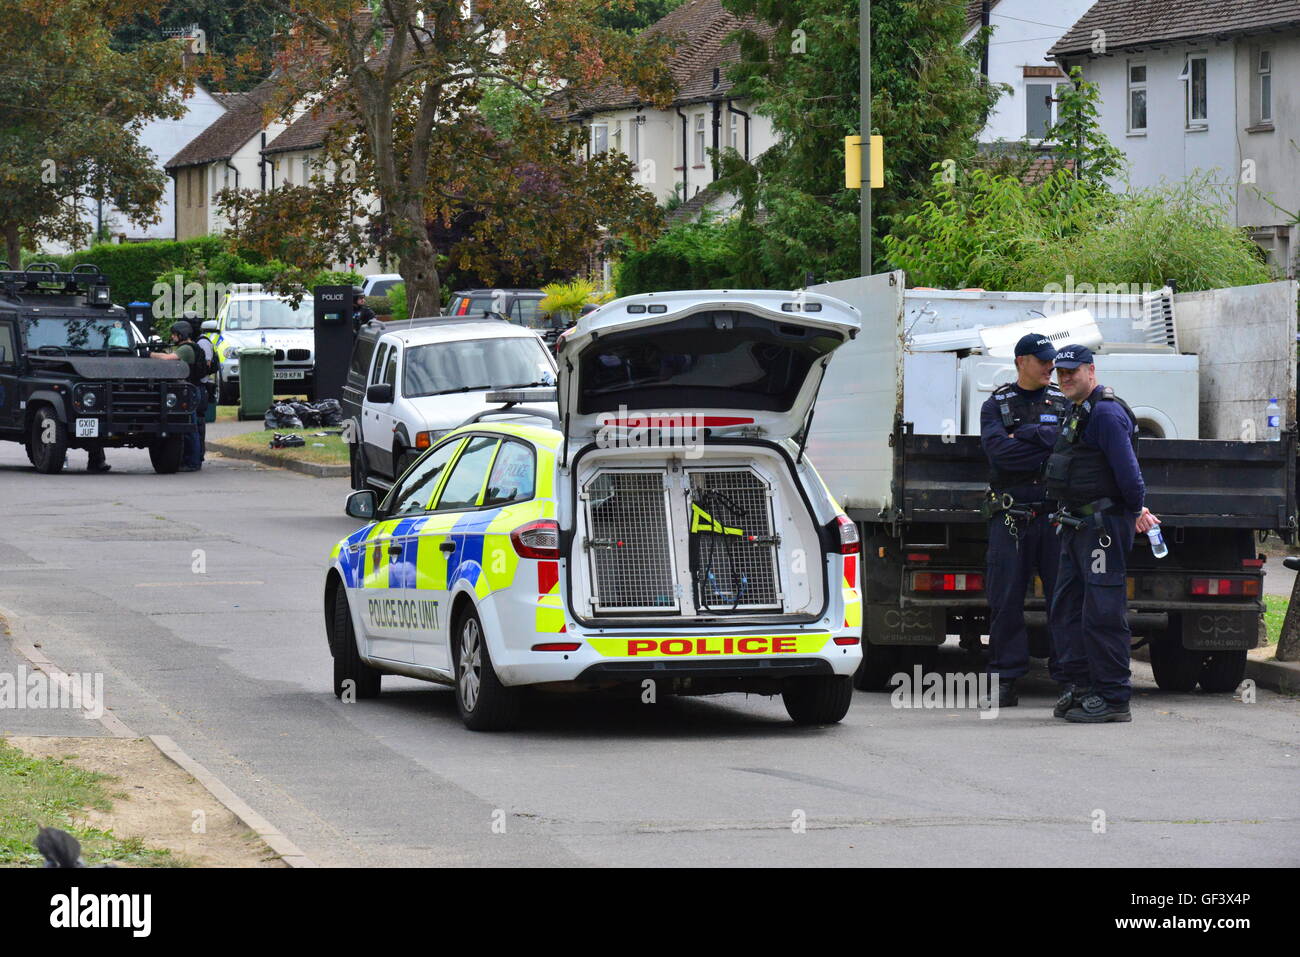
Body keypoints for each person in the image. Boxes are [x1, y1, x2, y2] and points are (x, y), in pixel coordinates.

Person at [1045, 344, 1160, 723]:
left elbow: (1131, 480)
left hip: (1101, 529)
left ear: (1090, 371)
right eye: (1060, 372)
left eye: (1072, 372)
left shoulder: (1107, 414)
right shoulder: (1079, 409)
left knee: (1103, 613)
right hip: (1077, 526)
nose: (1065, 378)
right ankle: (1082, 687)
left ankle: (1113, 698)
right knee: (1067, 609)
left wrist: (1130, 513)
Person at [979, 334, 1069, 707]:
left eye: (1052, 361)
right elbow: (1000, 454)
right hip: (1011, 514)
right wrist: (1046, 447)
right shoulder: (996, 404)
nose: (1051, 367)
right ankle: (1005, 678)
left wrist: (1029, 437)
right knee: (1005, 599)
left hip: (1054, 515)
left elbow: (1069, 450)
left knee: (1064, 601)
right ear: (1021, 362)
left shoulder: (1064, 403)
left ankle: (1069, 678)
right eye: (1043, 360)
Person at [153, 320, 207, 472]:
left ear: (181, 334)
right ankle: (190, 460)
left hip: (191, 390)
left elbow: (168, 358)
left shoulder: (187, 348)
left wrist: (150, 354)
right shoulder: (193, 347)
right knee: (192, 427)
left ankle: (193, 462)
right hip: (195, 389)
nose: (172, 337)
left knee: (191, 429)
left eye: (174, 334)